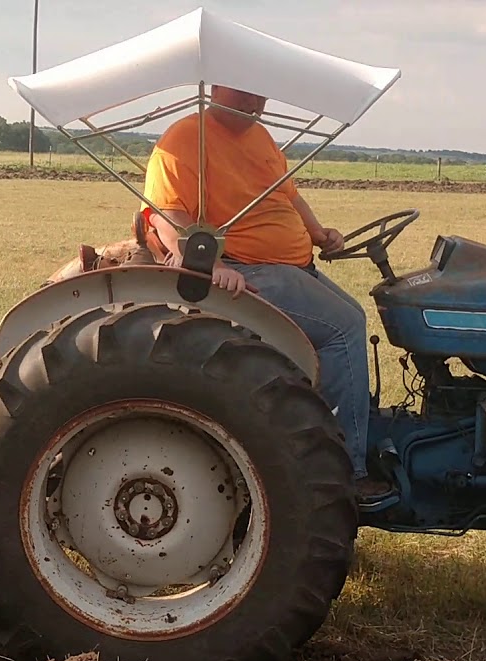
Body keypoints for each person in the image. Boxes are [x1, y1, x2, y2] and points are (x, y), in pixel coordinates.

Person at [139, 84, 388, 499]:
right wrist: (212, 267)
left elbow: (286, 194)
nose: (255, 105)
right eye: (244, 95)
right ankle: (349, 473)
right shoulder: (183, 139)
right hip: (242, 267)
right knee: (345, 327)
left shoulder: (259, 136)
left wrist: (318, 233)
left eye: (261, 96)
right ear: (216, 88)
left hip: (291, 265)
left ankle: (354, 431)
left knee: (352, 314)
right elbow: (168, 214)